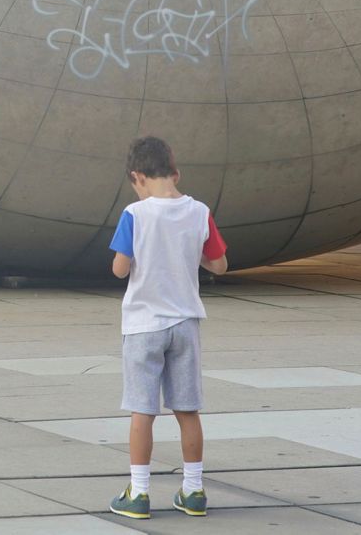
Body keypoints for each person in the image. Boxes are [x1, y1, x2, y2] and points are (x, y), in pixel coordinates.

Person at [107, 136, 228, 521]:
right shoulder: (199, 211)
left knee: (143, 410)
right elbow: (220, 264)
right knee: (187, 409)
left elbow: (120, 268)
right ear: (176, 173)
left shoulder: (134, 214)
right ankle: (193, 490)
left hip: (144, 323)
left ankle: (139, 493)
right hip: (186, 322)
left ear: (137, 177)